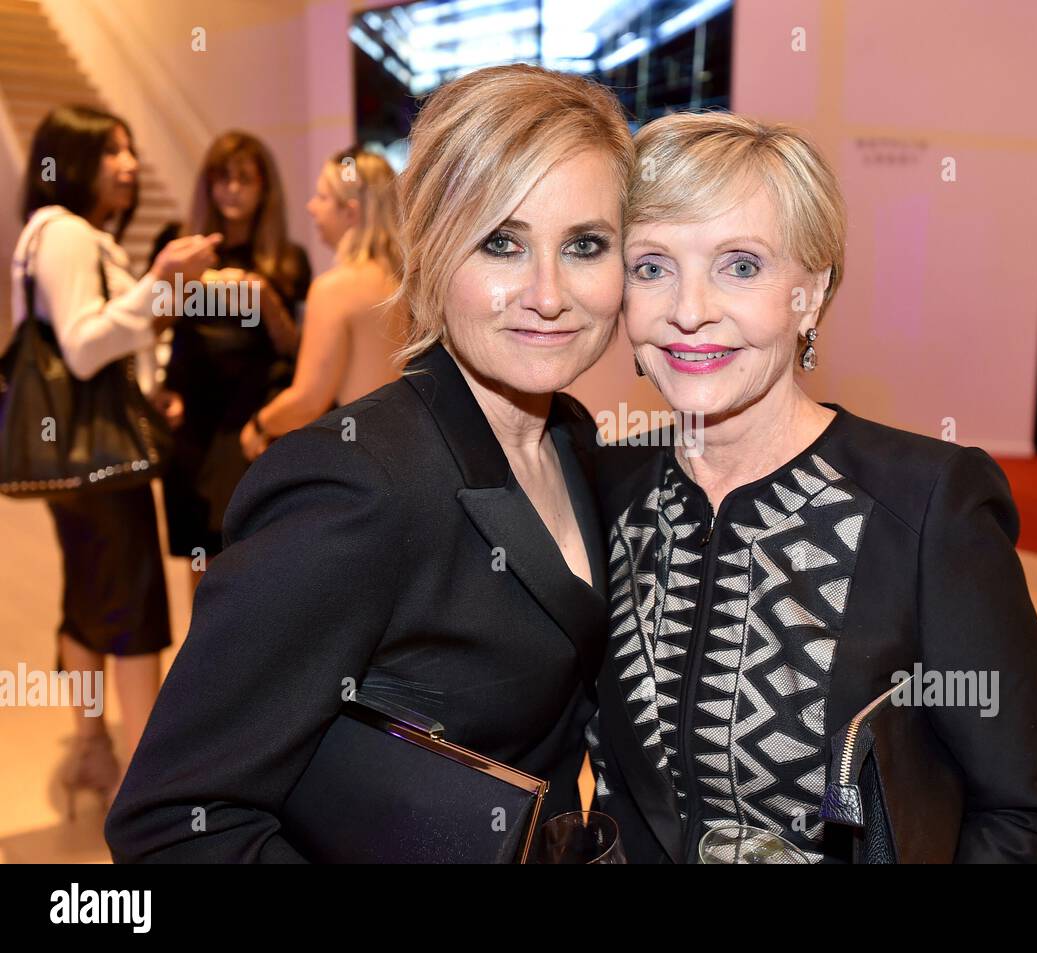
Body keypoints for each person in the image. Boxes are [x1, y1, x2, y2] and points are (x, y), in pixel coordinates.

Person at [104, 64, 633, 862]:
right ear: (427, 252)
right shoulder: (355, 484)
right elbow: (174, 820)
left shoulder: (574, 438)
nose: (549, 292)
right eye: (502, 243)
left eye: (585, 244)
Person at [586, 111, 1037, 863]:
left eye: (741, 265)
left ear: (812, 294)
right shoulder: (603, 487)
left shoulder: (927, 506)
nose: (689, 311)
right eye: (652, 266)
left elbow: (1035, 818)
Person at [9, 105, 218, 814]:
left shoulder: (54, 232)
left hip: (76, 452)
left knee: (89, 601)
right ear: (72, 159)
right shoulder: (68, 233)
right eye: (113, 152)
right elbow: (84, 343)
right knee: (132, 610)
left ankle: (96, 753)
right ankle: (146, 786)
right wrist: (161, 276)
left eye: (130, 149)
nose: (129, 165)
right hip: (99, 460)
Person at [157, 132, 312, 587]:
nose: (232, 190)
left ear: (265, 187)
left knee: (255, 557)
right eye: (222, 179)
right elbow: (151, 327)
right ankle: (204, 659)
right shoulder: (180, 247)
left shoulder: (286, 259)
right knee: (199, 561)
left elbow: (294, 351)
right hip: (193, 421)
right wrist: (186, 282)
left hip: (252, 419)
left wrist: (263, 297)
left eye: (245, 179)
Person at [239, 148, 404, 460]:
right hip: (409, 454)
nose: (311, 207)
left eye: (322, 197)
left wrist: (260, 425)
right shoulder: (413, 285)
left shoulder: (335, 289)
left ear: (351, 212)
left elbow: (308, 400)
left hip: (361, 459)